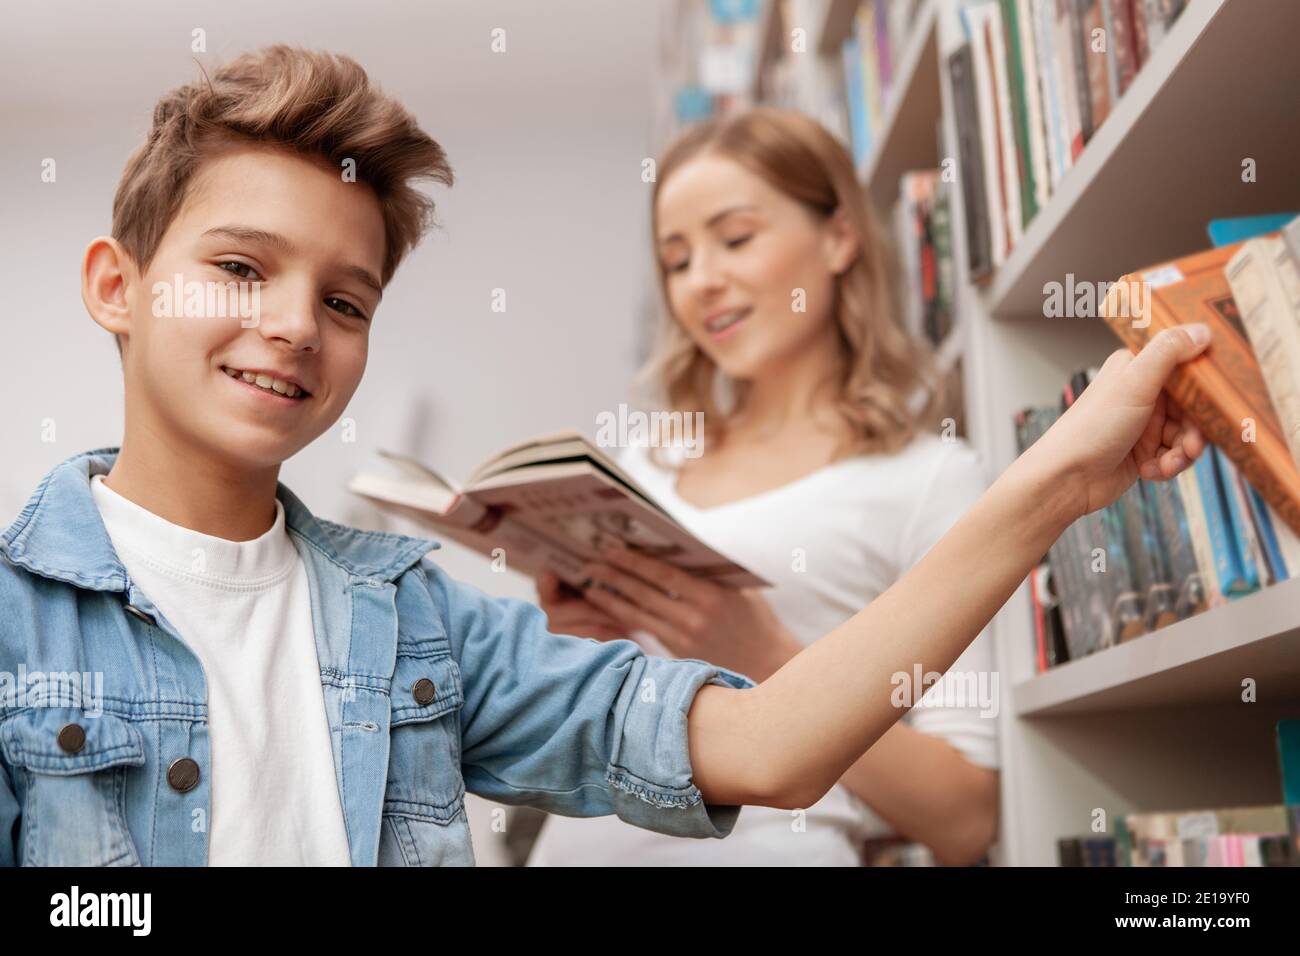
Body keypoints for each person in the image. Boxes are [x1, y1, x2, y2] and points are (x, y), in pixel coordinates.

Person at [0, 46, 1209, 867]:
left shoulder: (418, 620)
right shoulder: (17, 620)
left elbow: (769, 747)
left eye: (347, 300)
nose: (293, 324)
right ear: (118, 286)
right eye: (241, 267)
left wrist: (1065, 474)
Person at [529, 108, 998, 866]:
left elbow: (965, 817)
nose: (703, 281)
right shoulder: (644, 467)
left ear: (840, 237)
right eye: (677, 261)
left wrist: (769, 658)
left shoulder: (928, 479)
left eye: (736, 239)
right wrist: (578, 649)